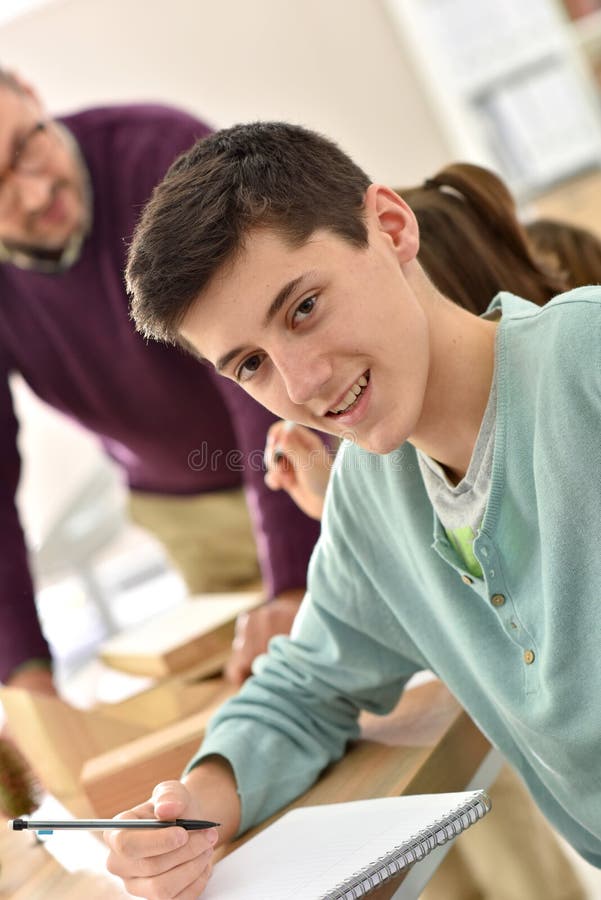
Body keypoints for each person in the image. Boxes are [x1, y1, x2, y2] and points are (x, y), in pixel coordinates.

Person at [104, 123, 601, 899]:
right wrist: (190, 810)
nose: (300, 386)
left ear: (392, 229)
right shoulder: (373, 499)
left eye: (303, 308)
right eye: (250, 365)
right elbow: (305, 690)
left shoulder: (586, 355)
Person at [0, 72, 320, 696]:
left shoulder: (160, 155)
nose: (36, 193)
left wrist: (293, 581)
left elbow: (255, 363)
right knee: (258, 695)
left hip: (299, 458)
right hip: (185, 511)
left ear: (36, 99)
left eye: (25, 148)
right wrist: (24, 676)